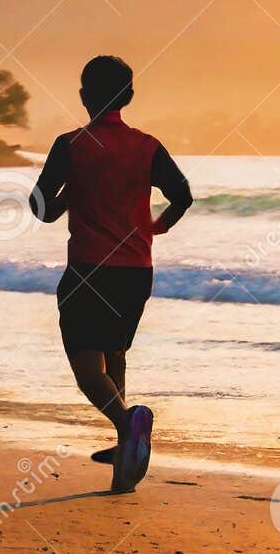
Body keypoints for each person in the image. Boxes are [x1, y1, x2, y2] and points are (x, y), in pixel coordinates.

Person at [29, 55, 191, 493]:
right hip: (137, 271)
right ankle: (124, 460)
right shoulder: (148, 145)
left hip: (88, 270)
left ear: (83, 97)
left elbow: (40, 208)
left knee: (86, 366)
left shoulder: (71, 145)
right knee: (114, 353)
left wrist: (70, 196)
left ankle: (127, 421)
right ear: (130, 97)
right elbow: (183, 195)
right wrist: (158, 226)